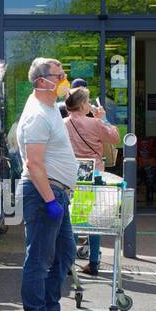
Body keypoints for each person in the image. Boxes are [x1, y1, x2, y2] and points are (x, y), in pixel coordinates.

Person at [17, 57, 80, 311]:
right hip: (45, 193)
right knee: (40, 258)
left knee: (64, 253)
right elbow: (34, 163)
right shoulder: (37, 116)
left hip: (56, 193)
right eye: (59, 75)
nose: (64, 78)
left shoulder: (49, 107)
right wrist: (50, 201)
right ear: (42, 81)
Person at [63, 85, 121, 276]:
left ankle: (69, 261)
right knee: (93, 220)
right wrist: (102, 118)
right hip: (94, 174)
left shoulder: (62, 124)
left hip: (71, 174)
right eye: (87, 101)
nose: (89, 105)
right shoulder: (95, 124)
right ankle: (94, 262)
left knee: (72, 218)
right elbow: (114, 138)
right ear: (80, 105)